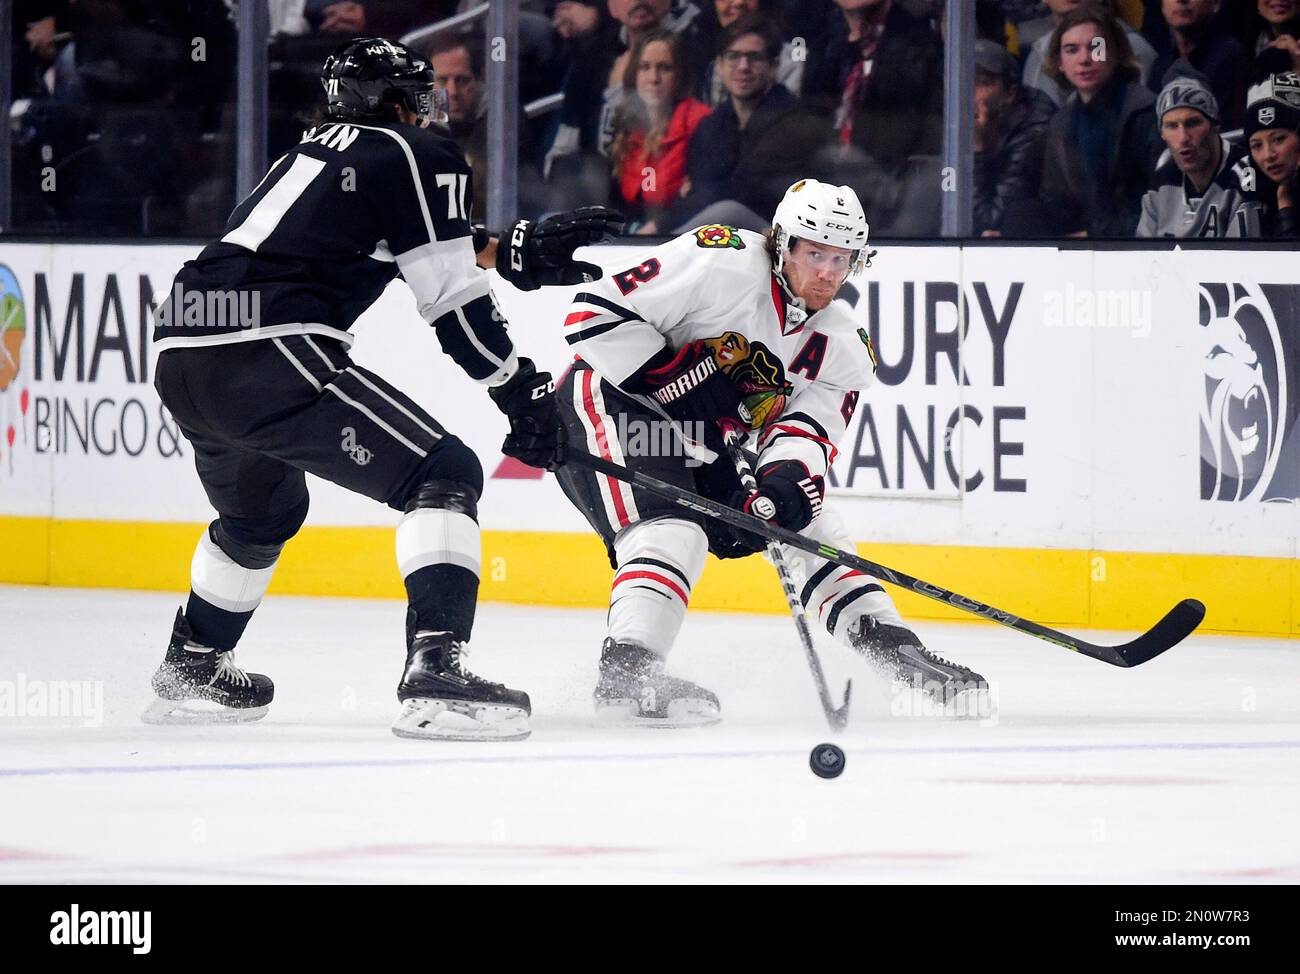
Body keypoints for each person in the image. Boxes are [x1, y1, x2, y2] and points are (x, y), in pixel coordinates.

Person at [145, 38, 623, 740]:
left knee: (261, 516)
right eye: (417, 95)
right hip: (267, 352)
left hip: (183, 352)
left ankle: (194, 661)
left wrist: (505, 249)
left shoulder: (310, 152)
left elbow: (387, 233)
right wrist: (519, 388)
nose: (428, 109)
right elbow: (453, 302)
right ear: (393, 100)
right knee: (444, 471)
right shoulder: (414, 153)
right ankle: (436, 667)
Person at [553, 179, 990, 726]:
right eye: (815, 254)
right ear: (781, 244)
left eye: (841, 258)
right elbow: (590, 313)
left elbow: (809, 432)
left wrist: (784, 481)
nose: (828, 272)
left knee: (808, 520)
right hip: (613, 402)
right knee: (673, 529)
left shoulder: (843, 346)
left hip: (707, 441)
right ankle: (628, 671)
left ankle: (895, 649)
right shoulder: (722, 263)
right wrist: (670, 376)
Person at [664, 15, 831, 232]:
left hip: (778, 239)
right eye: (733, 56)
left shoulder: (796, 123)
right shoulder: (710, 126)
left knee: (728, 211)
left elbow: (747, 194)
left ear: (774, 66)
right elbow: (702, 189)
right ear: (720, 65)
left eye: (754, 57)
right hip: (719, 241)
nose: (743, 66)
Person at [1038, 5, 1165, 236]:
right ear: (1059, 62)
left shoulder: (1146, 111)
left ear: (1116, 53)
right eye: (1071, 49)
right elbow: (1056, 205)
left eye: (1096, 47)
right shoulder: (1060, 124)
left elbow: (1163, 205)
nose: (1084, 59)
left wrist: (1097, 235)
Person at [609, 30, 711, 231]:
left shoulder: (702, 122)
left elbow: (699, 198)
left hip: (679, 234)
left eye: (665, 68)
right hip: (630, 231)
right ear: (634, 74)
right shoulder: (626, 123)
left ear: (679, 74)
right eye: (645, 67)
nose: (653, 78)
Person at [1138, 73, 1264, 236]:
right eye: (1172, 126)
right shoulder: (1161, 183)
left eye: (1193, 123)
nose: (1183, 138)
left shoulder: (1245, 175)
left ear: (1215, 125)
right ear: (1162, 133)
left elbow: (1243, 258)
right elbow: (1143, 255)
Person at [972, 39, 1057, 235]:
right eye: (964, 79)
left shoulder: (1036, 135)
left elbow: (987, 221)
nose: (969, 90)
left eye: (983, 82)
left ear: (1010, 93)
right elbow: (945, 193)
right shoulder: (959, 116)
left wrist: (977, 151)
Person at [1021, 0, 1157, 108]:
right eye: (1072, 50)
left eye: (1093, 48)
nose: (1084, 58)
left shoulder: (1134, 46)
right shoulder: (1038, 54)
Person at [1146, 0, 1247, 130]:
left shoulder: (1232, 57)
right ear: (1162, 6)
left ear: (1215, 3)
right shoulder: (1160, 65)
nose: (1181, 0)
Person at [1245, 71, 1300, 236]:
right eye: (1257, 145)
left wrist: (1285, 202)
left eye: (1279, 139)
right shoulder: (1250, 193)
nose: (1268, 155)